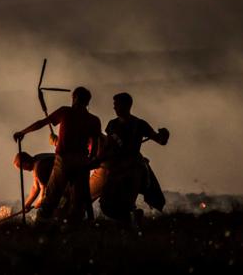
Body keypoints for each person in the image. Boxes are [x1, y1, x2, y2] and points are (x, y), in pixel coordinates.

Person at [13, 86, 101, 222]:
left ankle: (40, 226)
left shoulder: (66, 112)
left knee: (52, 197)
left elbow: (41, 123)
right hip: (82, 161)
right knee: (78, 201)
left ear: (75, 98)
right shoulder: (94, 120)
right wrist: (90, 160)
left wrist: (22, 132)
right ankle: (75, 229)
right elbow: (95, 144)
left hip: (64, 160)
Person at [99, 92, 169, 224]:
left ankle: (130, 222)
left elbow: (160, 140)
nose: (114, 108)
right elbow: (106, 145)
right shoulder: (112, 124)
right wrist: (99, 159)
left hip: (132, 169)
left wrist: (164, 136)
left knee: (126, 202)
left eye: (116, 105)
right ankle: (131, 218)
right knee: (106, 204)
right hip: (115, 169)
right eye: (114, 105)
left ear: (126, 106)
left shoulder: (139, 124)